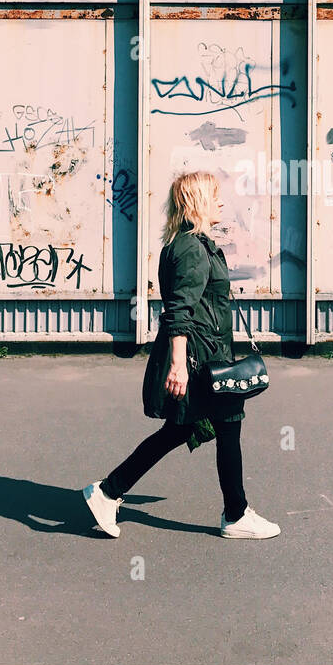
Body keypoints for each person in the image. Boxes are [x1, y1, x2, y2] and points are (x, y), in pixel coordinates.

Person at [82, 170, 280, 540]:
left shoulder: (193, 244)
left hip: (207, 354)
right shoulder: (190, 248)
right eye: (215, 195)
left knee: (183, 429)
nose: (222, 201)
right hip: (200, 358)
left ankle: (108, 491)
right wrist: (178, 365)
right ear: (197, 202)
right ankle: (235, 515)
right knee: (225, 424)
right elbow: (178, 310)